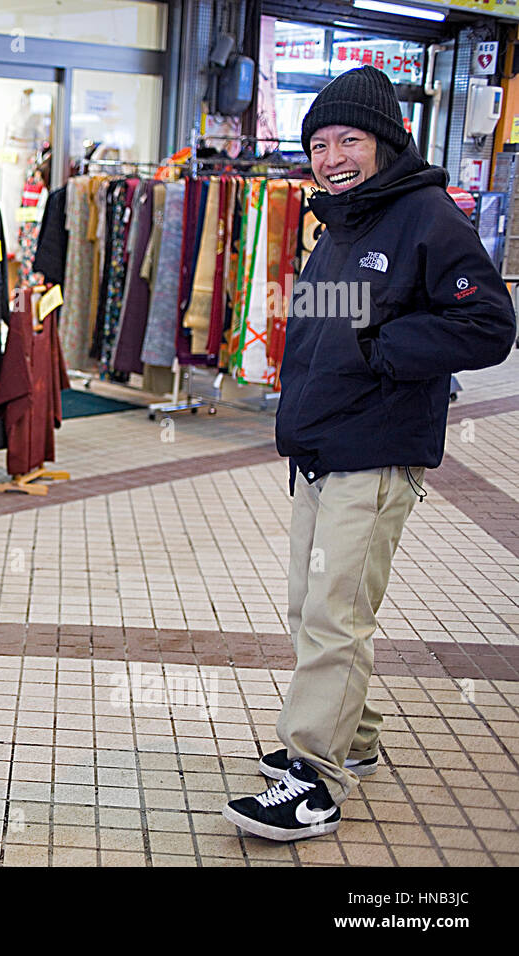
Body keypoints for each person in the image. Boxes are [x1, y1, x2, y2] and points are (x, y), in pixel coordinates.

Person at [223, 66, 516, 841]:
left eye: (347, 139)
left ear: (385, 142)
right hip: (320, 447)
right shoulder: (341, 224)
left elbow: (490, 325)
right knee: (312, 610)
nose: (331, 156)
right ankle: (352, 736)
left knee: (333, 614)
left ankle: (312, 776)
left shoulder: (427, 218)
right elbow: (321, 338)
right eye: (318, 143)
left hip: (377, 451)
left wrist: (384, 345)